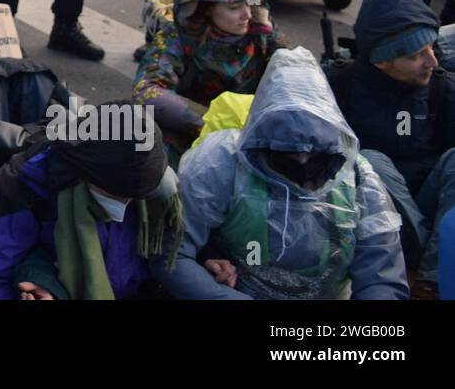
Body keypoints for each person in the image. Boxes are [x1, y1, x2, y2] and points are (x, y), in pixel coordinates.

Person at [153, 46, 408, 299]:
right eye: (289, 153)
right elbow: (171, 254)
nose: (303, 161)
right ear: (261, 140)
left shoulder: (359, 177)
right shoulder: (219, 162)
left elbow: (381, 274)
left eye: (315, 152)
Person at [0, 101, 183, 300]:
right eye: (115, 195)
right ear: (86, 176)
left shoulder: (157, 188)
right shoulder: (32, 188)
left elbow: (167, 257)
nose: (124, 204)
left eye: (133, 197)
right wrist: (47, 290)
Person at [326, 0, 455, 295]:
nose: (432, 62)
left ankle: (432, 279)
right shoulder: (339, 87)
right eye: (416, 55)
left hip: (430, 204)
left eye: (431, 48)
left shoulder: (443, 89)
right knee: (370, 161)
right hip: (368, 214)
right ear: (381, 60)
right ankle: (430, 260)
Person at [133, 0, 287, 159]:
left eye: (248, 4)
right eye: (233, 7)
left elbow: (292, 70)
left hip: (252, 133)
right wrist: (211, 121)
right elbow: (146, 90)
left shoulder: (261, 28)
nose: (246, 15)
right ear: (205, 8)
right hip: (196, 134)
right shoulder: (178, 35)